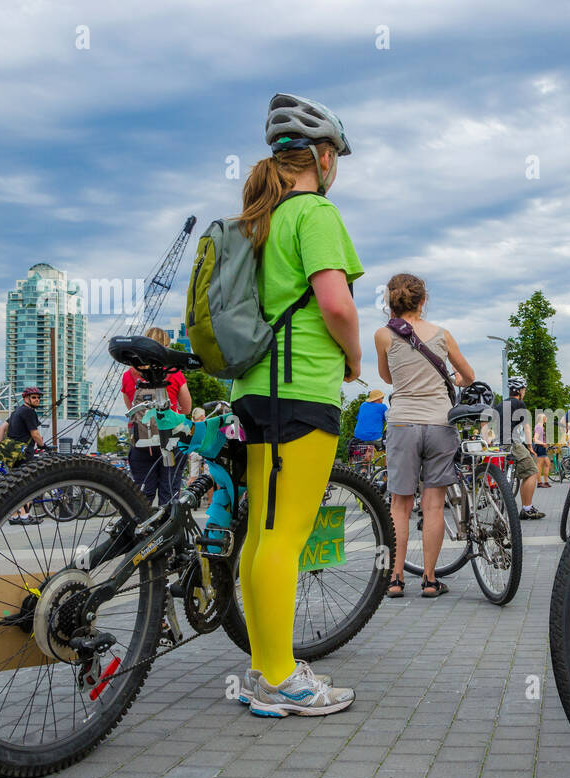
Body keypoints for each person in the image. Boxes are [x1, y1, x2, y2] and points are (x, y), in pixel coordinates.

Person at [228, 92, 362, 717]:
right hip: (301, 388)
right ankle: (280, 678)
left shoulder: (260, 219)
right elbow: (335, 303)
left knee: (260, 534)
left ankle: (264, 666)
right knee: (287, 535)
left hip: (252, 391)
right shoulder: (314, 214)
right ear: (324, 157)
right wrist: (356, 358)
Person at [375, 273, 475, 598]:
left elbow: (387, 377)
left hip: (402, 423)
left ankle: (395, 578)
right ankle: (430, 580)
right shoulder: (443, 335)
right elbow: (468, 377)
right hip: (438, 422)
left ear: (391, 301)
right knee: (433, 506)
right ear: (423, 300)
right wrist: (454, 379)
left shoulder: (383, 335)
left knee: (399, 506)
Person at [121, 326, 193, 505]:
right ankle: (167, 531)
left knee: (142, 493)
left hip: (141, 442)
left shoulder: (129, 376)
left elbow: (132, 409)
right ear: (165, 347)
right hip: (171, 440)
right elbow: (187, 408)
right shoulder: (173, 373)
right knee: (169, 492)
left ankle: (139, 530)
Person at [0, 386, 48, 524]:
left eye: (38, 397)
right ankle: (25, 516)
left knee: (15, 484)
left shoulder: (16, 411)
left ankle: (14, 516)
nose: (37, 400)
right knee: (28, 483)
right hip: (24, 453)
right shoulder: (28, 411)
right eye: (33, 397)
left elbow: (2, 428)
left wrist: (1, 446)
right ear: (26, 398)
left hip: (12, 453)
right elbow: (35, 434)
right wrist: (43, 446)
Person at [497, 378, 544, 519]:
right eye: (524, 389)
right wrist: (530, 446)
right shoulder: (519, 403)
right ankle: (527, 508)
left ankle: (525, 507)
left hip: (499, 445)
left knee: (519, 473)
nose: (525, 392)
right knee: (532, 472)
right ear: (520, 390)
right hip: (512, 443)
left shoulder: (499, 405)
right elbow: (527, 427)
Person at [351, 389, 388, 457]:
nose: (382, 399)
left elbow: (359, 418)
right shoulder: (383, 407)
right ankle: (387, 466)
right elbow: (389, 420)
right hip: (375, 437)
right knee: (388, 449)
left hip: (359, 437)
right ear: (379, 399)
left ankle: (364, 465)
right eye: (382, 398)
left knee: (361, 459)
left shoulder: (363, 405)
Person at [533, 412, 551, 487]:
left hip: (542, 447)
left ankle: (545, 482)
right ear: (542, 419)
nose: (546, 419)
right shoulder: (539, 427)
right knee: (540, 465)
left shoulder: (541, 427)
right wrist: (543, 444)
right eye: (545, 418)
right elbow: (535, 439)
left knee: (547, 463)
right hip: (540, 447)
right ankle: (540, 483)